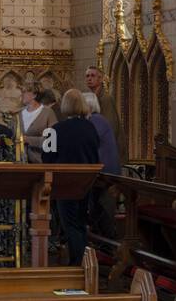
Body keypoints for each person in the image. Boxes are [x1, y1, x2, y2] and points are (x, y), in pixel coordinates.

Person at [50, 88, 100, 263]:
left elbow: (46, 157)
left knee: (69, 224)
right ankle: (85, 262)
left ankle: (77, 264)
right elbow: (95, 154)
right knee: (80, 223)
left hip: (64, 183)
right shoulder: (90, 127)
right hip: (85, 181)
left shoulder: (55, 129)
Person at [83, 90, 119, 240]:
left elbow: (88, 143)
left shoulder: (96, 120)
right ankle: (101, 242)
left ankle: (109, 244)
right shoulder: (94, 120)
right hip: (98, 173)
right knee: (96, 209)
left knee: (103, 210)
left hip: (105, 174)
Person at [85, 66, 127, 166]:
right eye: (87, 76)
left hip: (108, 149)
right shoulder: (92, 97)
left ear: (100, 79)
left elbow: (110, 125)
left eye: (92, 76)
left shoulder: (106, 98)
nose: (89, 78)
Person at [18, 83, 58, 163]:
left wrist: (28, 140)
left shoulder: (48, 113)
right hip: (19, 163)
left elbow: (52, 140)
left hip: (41, 162)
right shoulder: (19, 114)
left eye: (24, 92)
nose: (21, 94)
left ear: (34, 95)